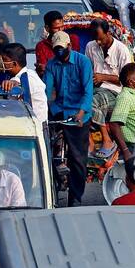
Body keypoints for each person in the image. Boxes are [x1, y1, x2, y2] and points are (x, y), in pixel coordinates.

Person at [44, 30, 94, 207]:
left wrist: (81, 113)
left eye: (61, 49)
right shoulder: (52, 64)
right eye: (55, 49)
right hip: (59, 109)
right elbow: (47, 91)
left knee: (78, 158)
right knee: (44, 149)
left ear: (69, 47)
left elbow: (88, 91)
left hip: (79, 112)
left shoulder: (83, 62)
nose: (59, 52)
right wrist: (46, 107)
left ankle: (76, 196)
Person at [86, 18, 134, 127]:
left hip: (114, 91)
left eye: (100, 39)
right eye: (95, 39)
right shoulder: (90, 46)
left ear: (108, 33)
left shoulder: (121, 50)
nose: (98, 42)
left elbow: (127, 80)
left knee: (90, 103)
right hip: (94, 88)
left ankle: (106, 137)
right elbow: (87, 69)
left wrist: (104, 77)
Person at [0, 43, 48, 128]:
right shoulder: (31, 73)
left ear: (14, 64)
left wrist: (12, 83)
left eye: (4, 60)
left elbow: (17, 82)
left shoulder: (25, 77)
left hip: (33, 128)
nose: (1, 62)